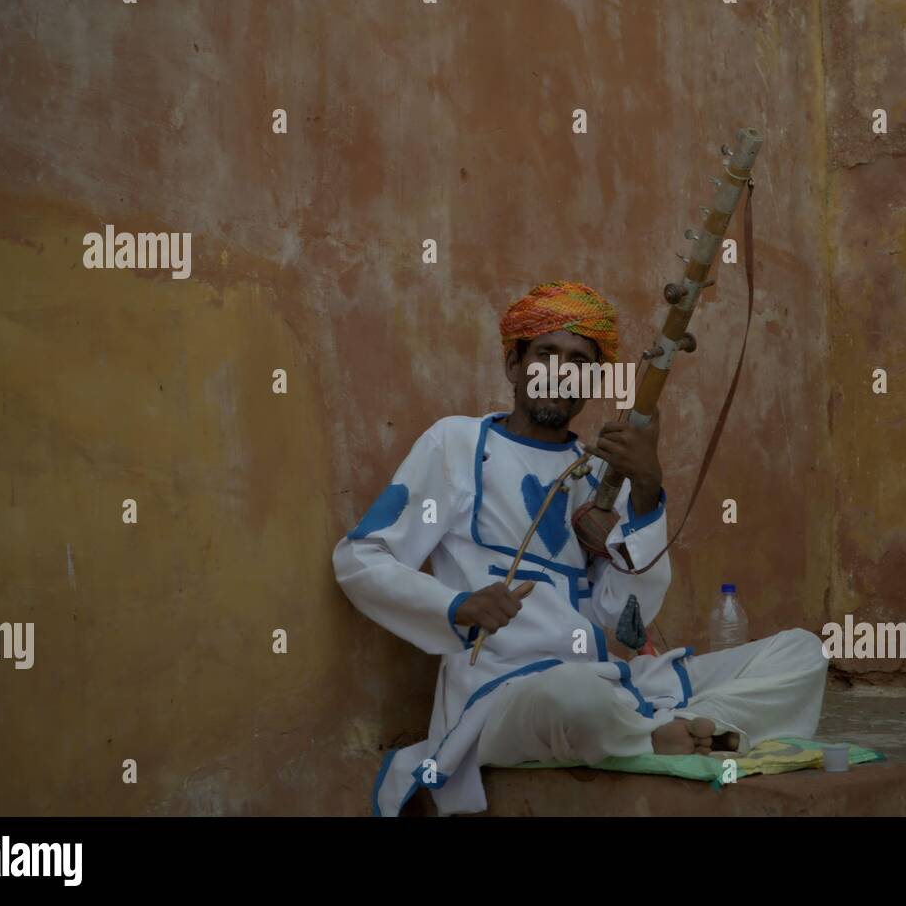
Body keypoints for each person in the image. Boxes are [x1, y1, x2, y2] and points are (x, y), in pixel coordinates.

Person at [333, 280, 829, 817]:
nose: (559, 369)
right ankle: (670, 732)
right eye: (545, 353)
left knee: (803, 652)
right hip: (504, 695)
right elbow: (361, 557)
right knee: (574, 698)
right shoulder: (456, 444)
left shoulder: (596, 474)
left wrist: (644, 494)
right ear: (513, 365)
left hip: (606, 679)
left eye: (578, 361)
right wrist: (457, 606)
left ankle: (669, 732)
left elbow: (625, 618)